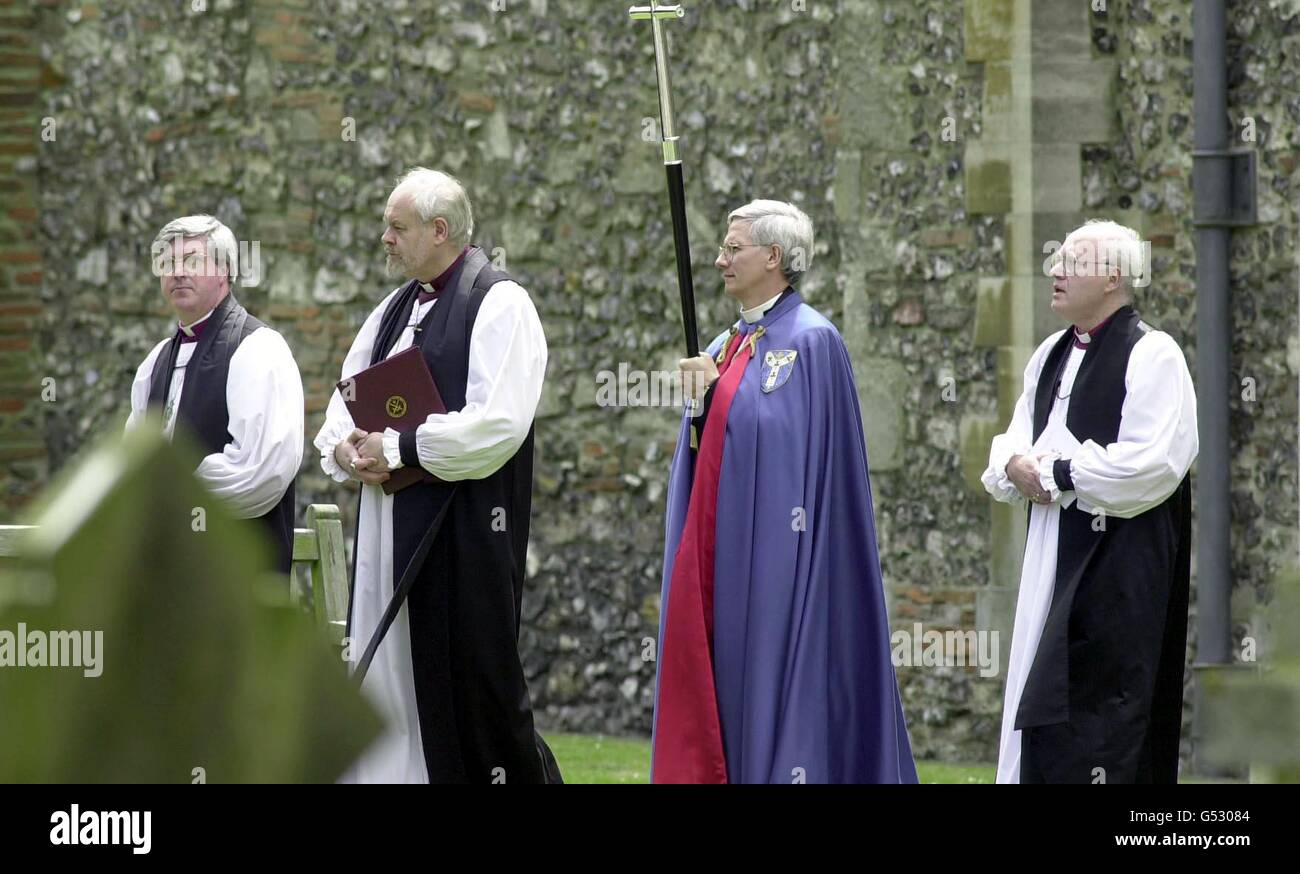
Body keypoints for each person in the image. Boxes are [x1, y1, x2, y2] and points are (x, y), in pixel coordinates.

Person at [652, 199, 917, 783]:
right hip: (724, 555)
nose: (720, 258)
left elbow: (789, 445)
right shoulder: (723, 345)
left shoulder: (815, 342)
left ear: (773, 257)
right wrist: (698, 407)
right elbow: (712, 451)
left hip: (786, 557)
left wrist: (717, 398)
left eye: (733, 247)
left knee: (773, 676)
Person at [314, 168, 560, 783]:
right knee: (388, 676)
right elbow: (345, 401)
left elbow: (496, 425)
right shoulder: (394, 308)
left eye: (397, 228)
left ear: (439, 229)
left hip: (464, 530)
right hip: (385, 528)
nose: (385, 239)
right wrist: (346, 451)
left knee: (473, 684)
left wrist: (399, 447)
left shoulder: (500, 303)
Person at [982, 219, 1198, 783]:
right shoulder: (1051, 352)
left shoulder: (1154, 355)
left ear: (1111, 278)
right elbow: (1014, 437)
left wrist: (1056, 471)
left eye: (1072, 263)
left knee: (1104, 702)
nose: (1054, 271)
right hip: (1050, 553)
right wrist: (1011, 463)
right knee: (1043, 693)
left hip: (1118, 559)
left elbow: (1154, 464)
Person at [127, 214, 302, 574]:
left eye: (191, 261)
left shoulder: (257, 349)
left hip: (237, 573)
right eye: (168, 263)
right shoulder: (156, 361)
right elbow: (135, 460)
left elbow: (260, 472)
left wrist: (171, 495)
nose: (177, 272)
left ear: (224, 271)